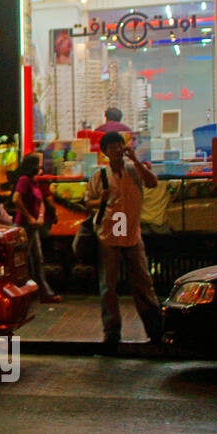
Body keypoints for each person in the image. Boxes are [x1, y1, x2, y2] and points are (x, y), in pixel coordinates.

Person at [86, 131, 163, 352]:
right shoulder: (99, 176)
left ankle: (155, 330)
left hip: (131, 235)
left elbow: (153, 182)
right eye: (112, 147)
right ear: (105, 152)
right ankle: (111, 331)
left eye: (120, 145)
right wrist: (99, 201)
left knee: (143, 283)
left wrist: (136, 160)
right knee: (108, 286)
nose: (118, 149)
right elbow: (88, 201)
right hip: (108, 235)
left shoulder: (134, 171)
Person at [11, 152, 60, 303]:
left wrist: (40, 217)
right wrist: (29, 217)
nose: (41, 166)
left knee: (37, 259)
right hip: (24, 226)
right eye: (39, 163)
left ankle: (42, 291)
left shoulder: (34, 181)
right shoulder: (24, 180)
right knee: (24, 259)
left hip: (33, 226)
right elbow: (16, 198)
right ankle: (27, 291)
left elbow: (41, 202)